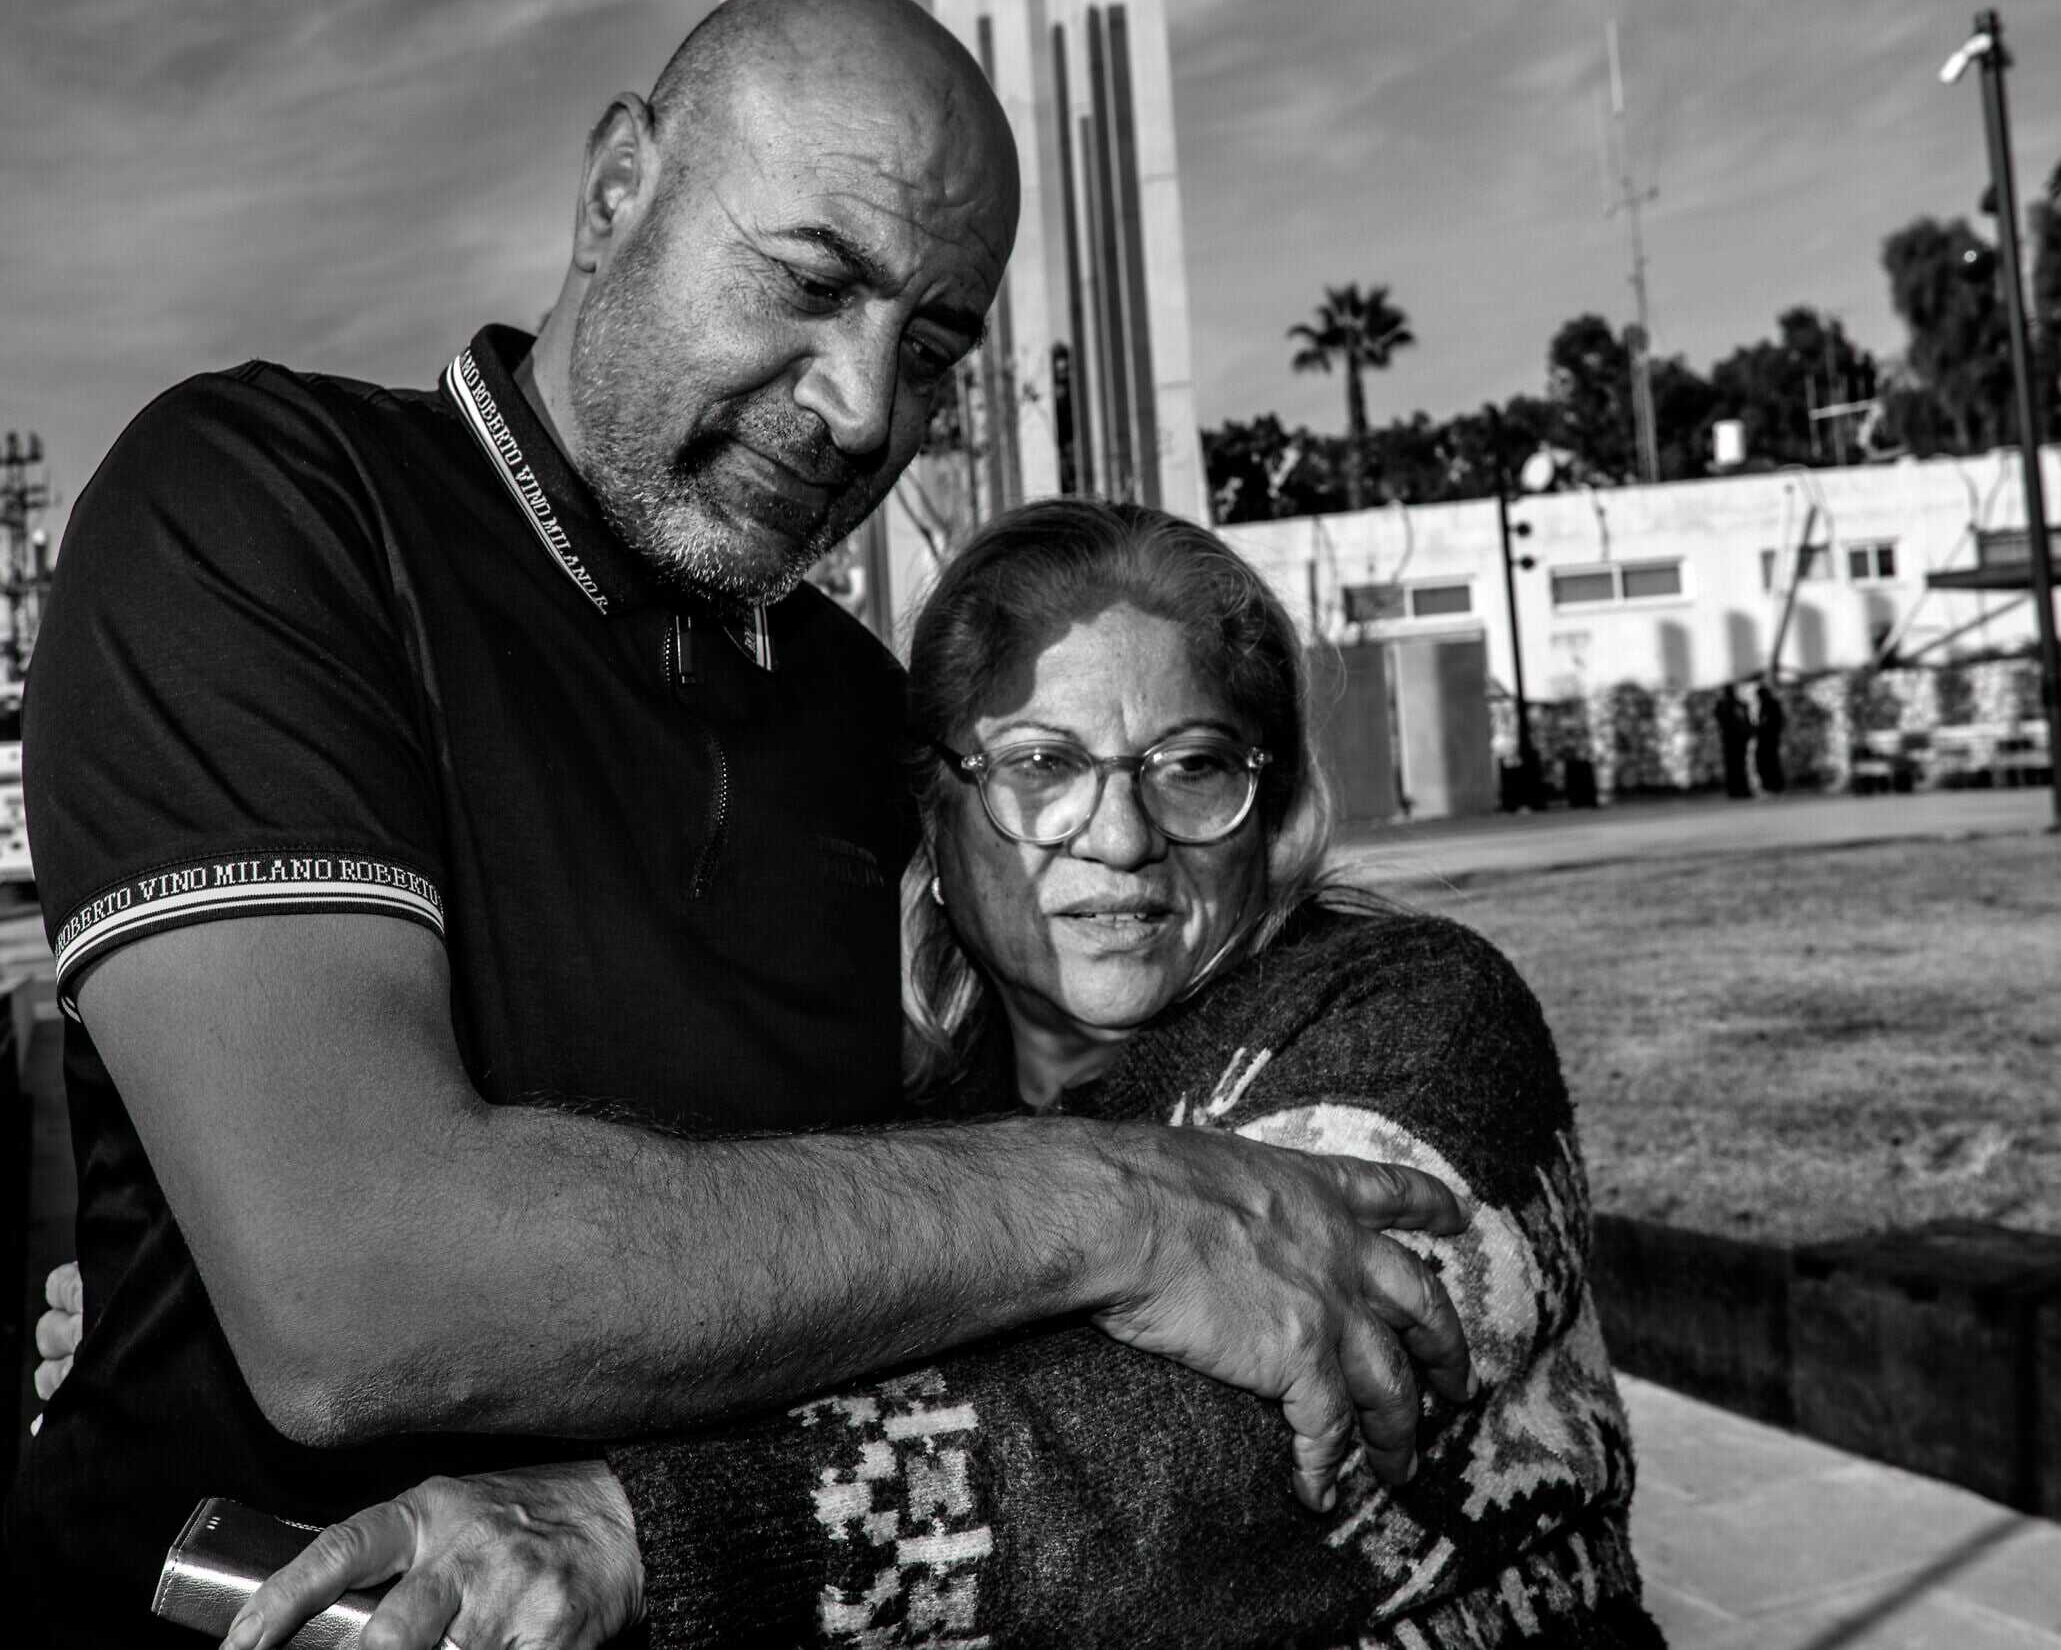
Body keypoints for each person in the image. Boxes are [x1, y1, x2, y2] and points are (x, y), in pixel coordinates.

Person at [7, 0, 1469, 1642]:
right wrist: (1123, 1204)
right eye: (810, 281)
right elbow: (359, 1297)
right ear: (618, 187)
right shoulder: (273, 508)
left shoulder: (870, 712)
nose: (862, 408)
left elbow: (926, 1233)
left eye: (929, 345)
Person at [214, 500, 1662, 1649]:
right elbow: (682, 1303)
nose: (1120, 833)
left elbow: (1220, 1453)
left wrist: (644, 1529)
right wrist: (222, 1267)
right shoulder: (902, 1128)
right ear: (940, 806)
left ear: (1272, 801)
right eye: (1043, 762)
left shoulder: (1415, 1011)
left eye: (1191, 763)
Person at [1712, 683, 1754, 799]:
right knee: (1737, 765)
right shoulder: (1735, 705)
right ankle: (1739, 790)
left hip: (1733, 739)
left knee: (1735, 765)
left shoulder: (1728, 705)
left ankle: (1737, 790)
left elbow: (1743, 720)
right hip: (1735, 739)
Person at [1753, 680, 1789, 797]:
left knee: (1769, 762)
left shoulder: (1770, 704)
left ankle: (1773, 785)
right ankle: (1771, 785)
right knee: (1768, 762)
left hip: (1769, 739)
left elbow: (1768, 722)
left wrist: (1760, 729)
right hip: (1768, 738)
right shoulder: (1767, 704)